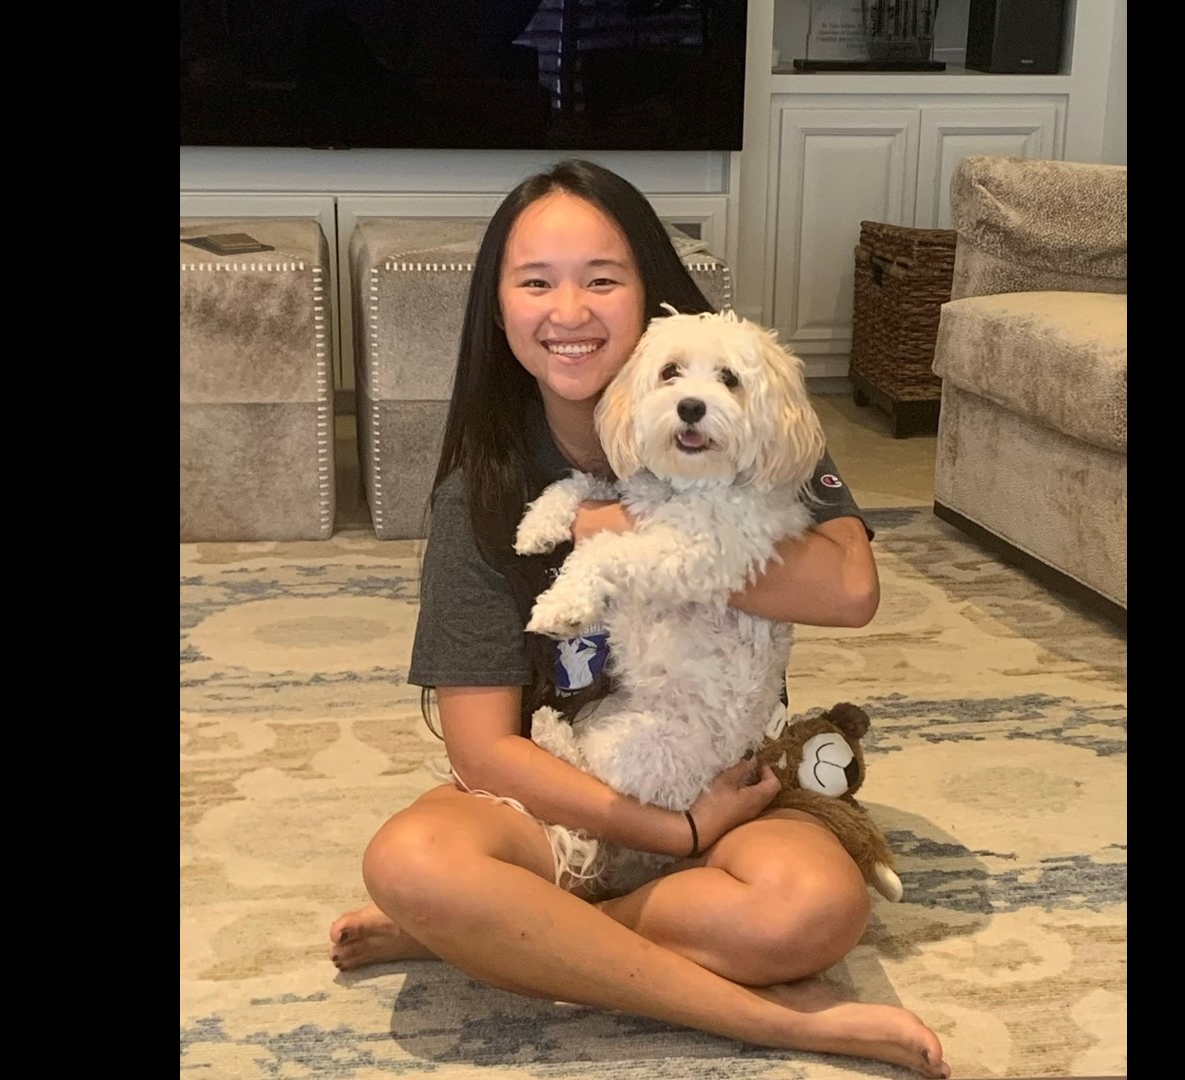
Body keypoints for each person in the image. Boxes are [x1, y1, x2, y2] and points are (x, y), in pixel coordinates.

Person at [328, 159, 950, 1079]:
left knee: (814, 910)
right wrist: (676, 834)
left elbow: (849, 590)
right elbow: (484, 752)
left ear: (651, 292)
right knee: (415, 864)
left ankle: (497, 939)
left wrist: (637, 527)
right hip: (569, 790)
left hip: (732, 777)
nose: (568, 310)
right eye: (535, 282)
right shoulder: (483, 492)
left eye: (603, 279)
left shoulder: (751, 422)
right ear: (498, 313)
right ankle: (784, 1024)